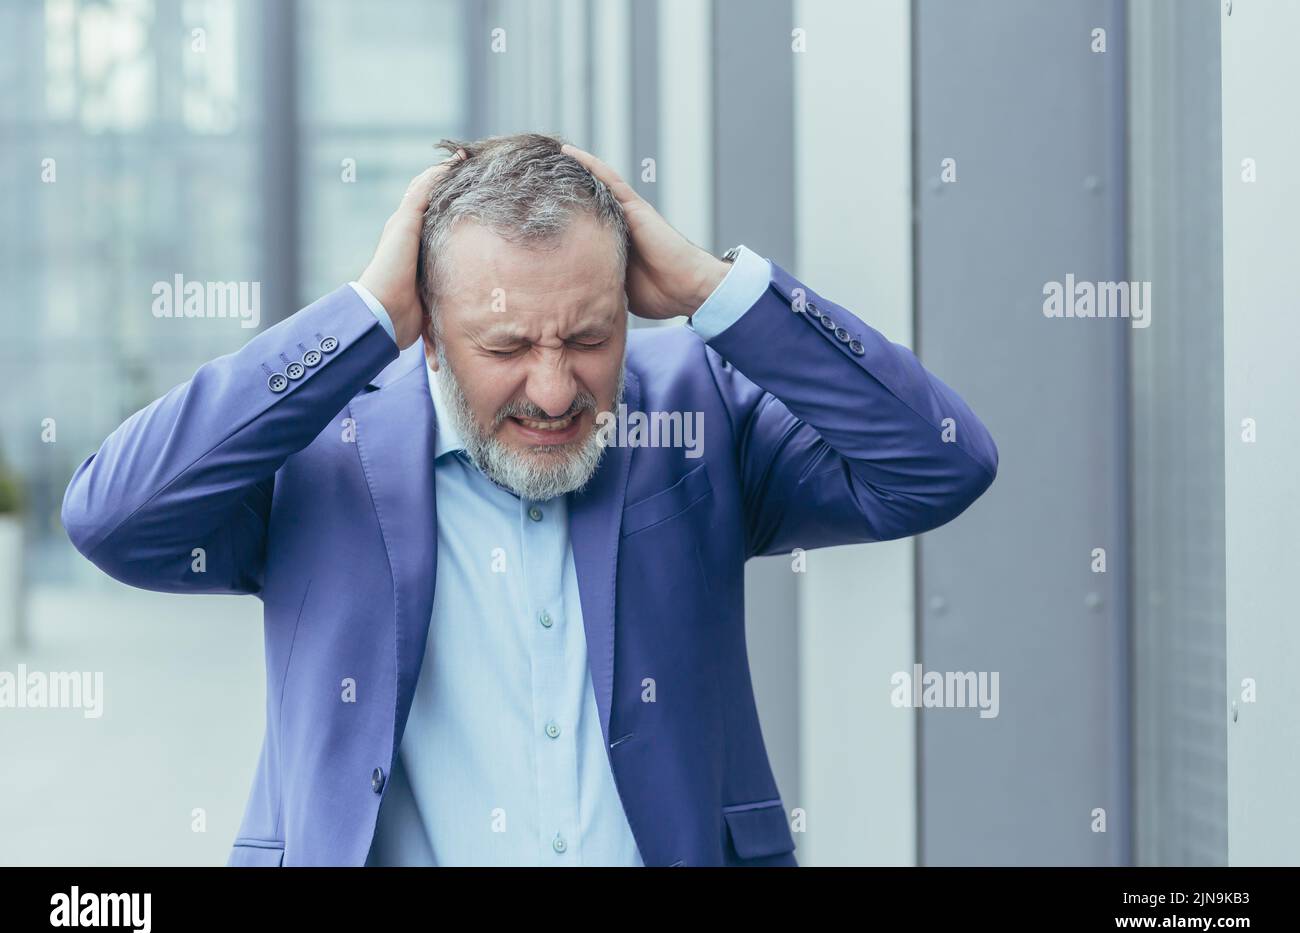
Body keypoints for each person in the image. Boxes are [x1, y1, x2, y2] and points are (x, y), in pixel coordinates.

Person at [62, 133, 998, 866]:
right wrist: (360, 318)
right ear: (429, 333)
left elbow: (939, 462)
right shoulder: (320, 448)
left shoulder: (697, 411)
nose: (554, 393)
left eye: (589, 338)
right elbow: (112, 518)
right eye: (506, 348)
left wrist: (716, 290)